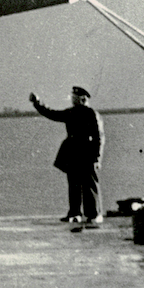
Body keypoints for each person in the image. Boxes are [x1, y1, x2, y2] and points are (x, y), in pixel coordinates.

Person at [29, 87, 105, 226]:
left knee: (90, 184)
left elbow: (99, 138)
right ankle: (75, 213)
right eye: (72, 98)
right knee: (74, 184)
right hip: (73, 153)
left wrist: (97, 158)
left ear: (83, 99)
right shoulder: (71, 112)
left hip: (87, 153)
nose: (72, 100)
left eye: (75, 98)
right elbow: (51, 114)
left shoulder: (92, 114)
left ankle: (94, 214)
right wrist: (37, 103)